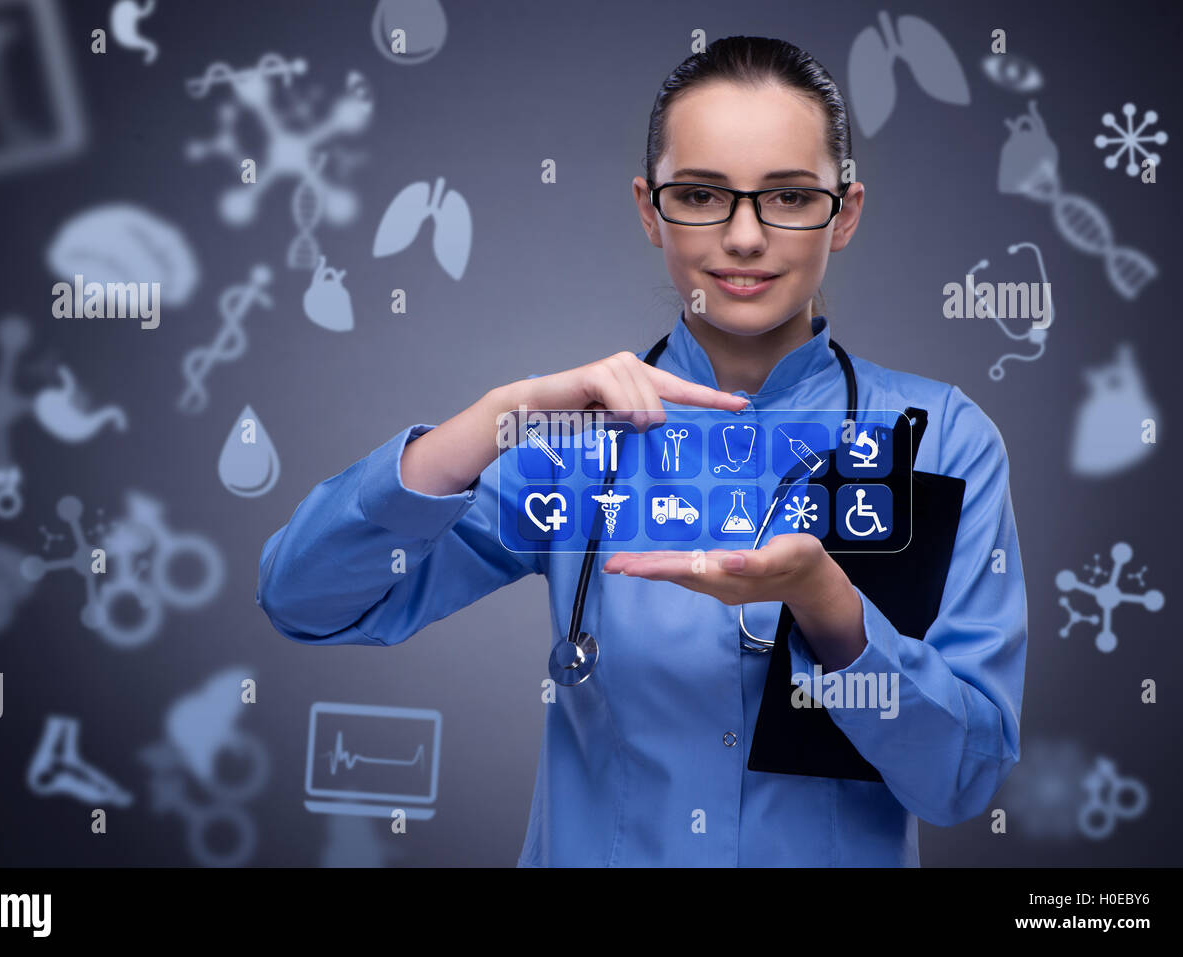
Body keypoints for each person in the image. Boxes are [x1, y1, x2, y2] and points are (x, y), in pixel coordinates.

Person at [256, 35, 1027, 866]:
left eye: (790, 198)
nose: (743, 237)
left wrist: (831, 609)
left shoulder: (942, 440)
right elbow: (305, 598)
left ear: (844, 213)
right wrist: (495, 415)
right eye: (700, 194)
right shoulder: (571, 441)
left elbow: (962, 782)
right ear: (647, 207)